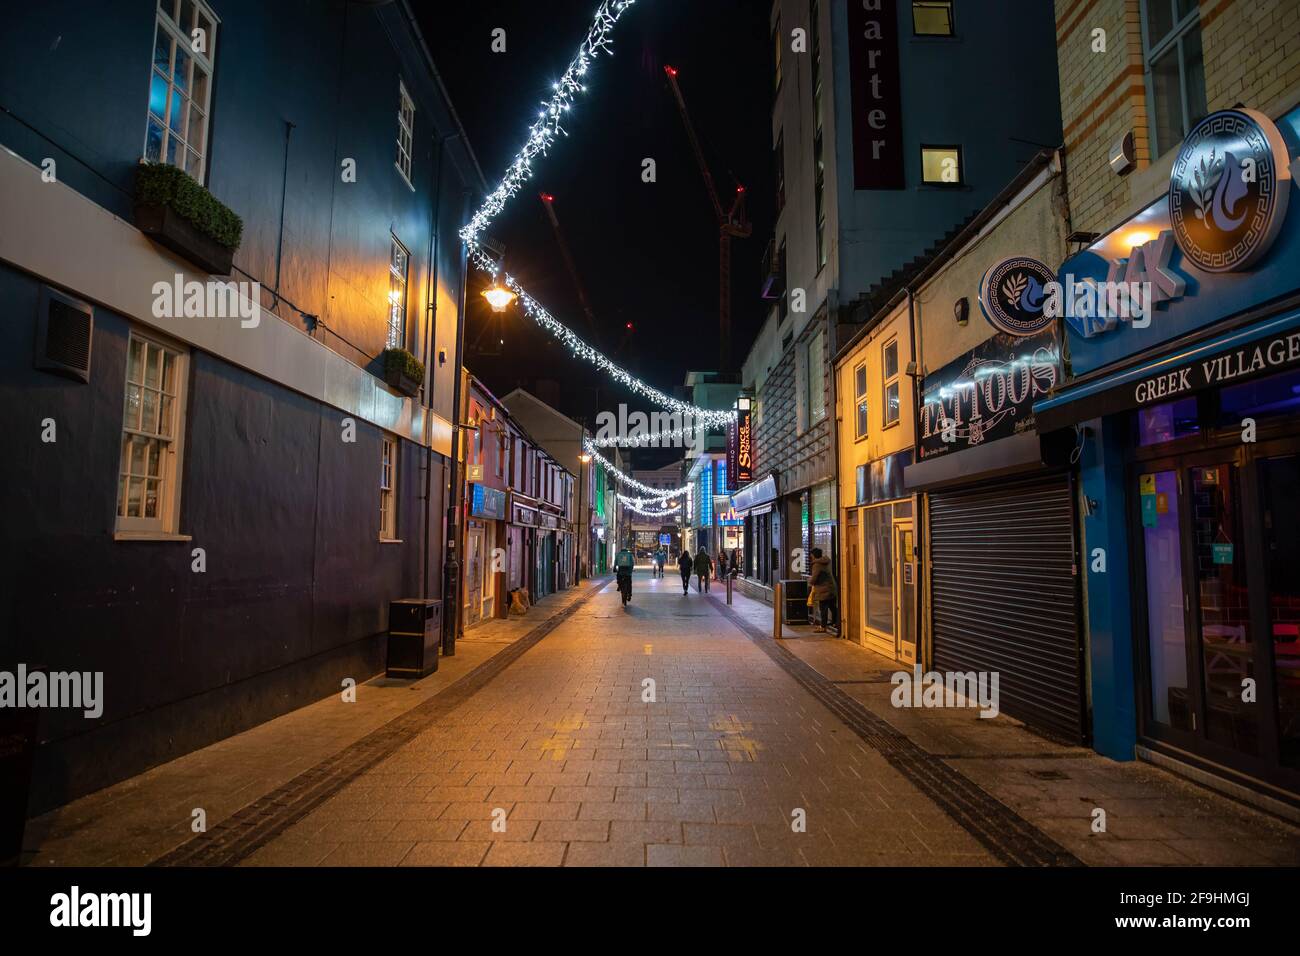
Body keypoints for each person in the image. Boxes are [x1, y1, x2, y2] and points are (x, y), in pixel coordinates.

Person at [808, 547, 839, 632]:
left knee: (823, 608)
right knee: (832, 607)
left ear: (813, 555)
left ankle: (823, 627)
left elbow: (814, 578)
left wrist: (810, 582)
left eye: (811, 555)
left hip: (823, 590)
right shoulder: (826, 562)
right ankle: (835, 622)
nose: (811, 556)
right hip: (831, 588)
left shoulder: (817, 565)